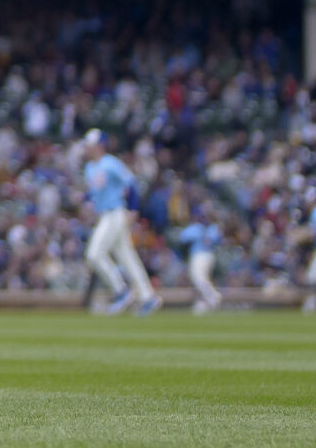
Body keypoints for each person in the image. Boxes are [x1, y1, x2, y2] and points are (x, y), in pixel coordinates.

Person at [80, 132, 158, 315]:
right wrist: (84, 201)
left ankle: (121, 290)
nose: (88, 148)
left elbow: (130, 184)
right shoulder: (90, 167)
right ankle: (148, 296)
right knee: (126, 256)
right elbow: (94, 192)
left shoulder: (110, 163)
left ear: (100, 145)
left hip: (115, 213)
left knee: (94, 254)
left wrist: (133, 209)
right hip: (104, 214)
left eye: (91, 145)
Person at [173, 206, 224, 314]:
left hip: (205, 255)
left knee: (198, 277)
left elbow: (214, 240)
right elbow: (183, 238)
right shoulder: (195, 227)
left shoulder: (212, 228)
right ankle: (204, 302)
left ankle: (212, 295)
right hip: (197, 255)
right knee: (199, 278)